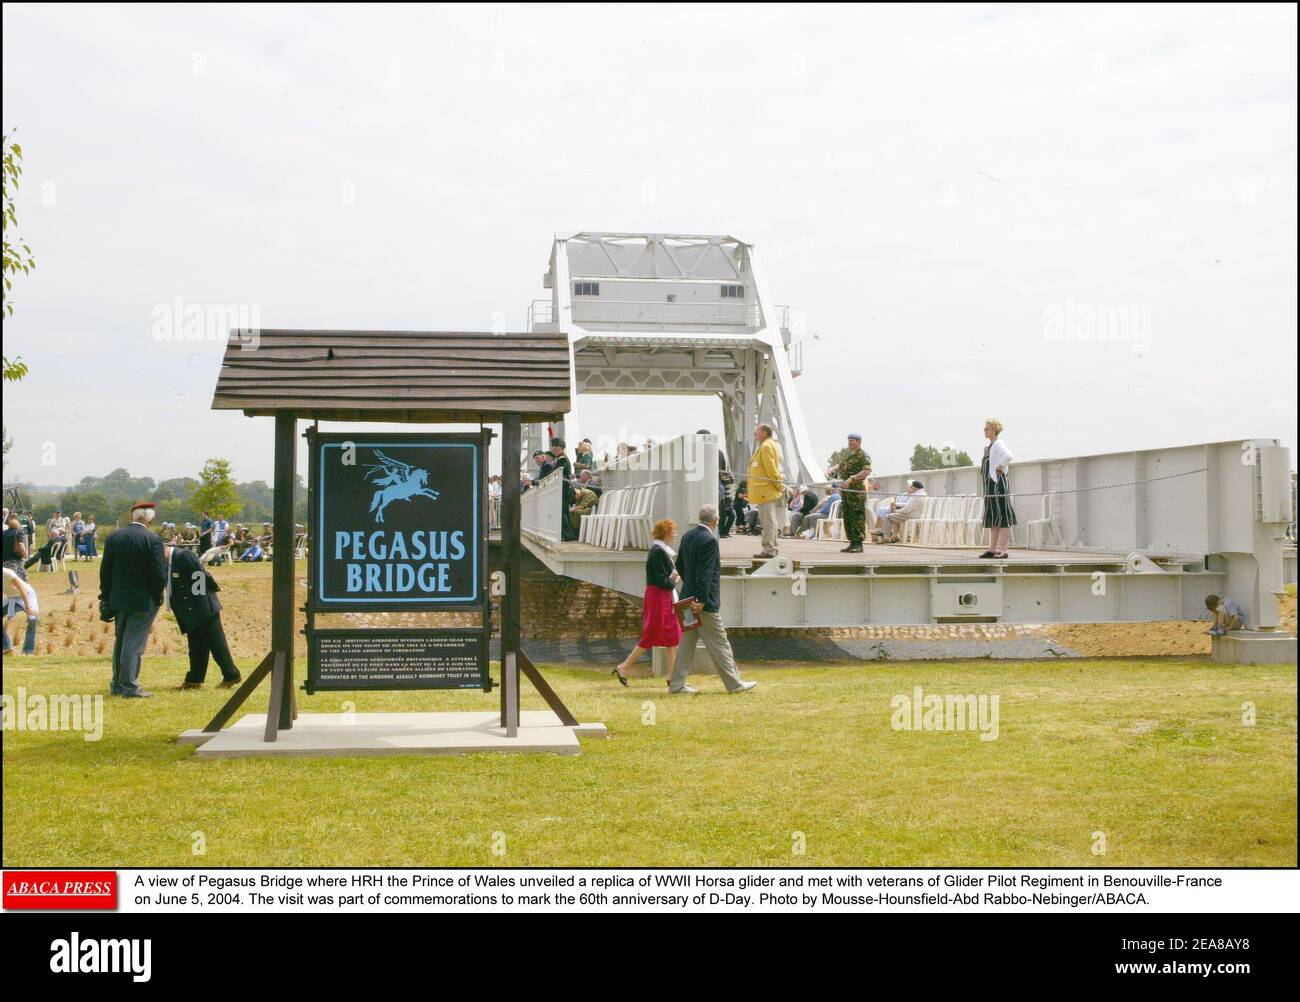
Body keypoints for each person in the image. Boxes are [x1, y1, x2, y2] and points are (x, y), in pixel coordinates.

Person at [669, 504, 758, 694]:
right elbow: (706, 573)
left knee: (687, 643)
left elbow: (680, 565)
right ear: (716, 521)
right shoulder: (709, 540)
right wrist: (700, 599)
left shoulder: (688, 536)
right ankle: (734, 684)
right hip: (703, 604)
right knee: (720, 643)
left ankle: (677, 685)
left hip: (686, 600)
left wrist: (690, 589)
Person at [99, 501, 166, 698]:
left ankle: (117, 684)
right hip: (143, 599)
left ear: (132, 516)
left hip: (118, 598)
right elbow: (158, 574)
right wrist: (157, 595)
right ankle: (130, 686)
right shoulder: (152, 539)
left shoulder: (114, 537)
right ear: (149, 518)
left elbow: (106, 571)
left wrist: (106, 596)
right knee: (134, 644)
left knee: (121, 641)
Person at [165, 540, 242, 688]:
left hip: (203, 608)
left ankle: (231, 674)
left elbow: (199, 577)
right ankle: (194, 679)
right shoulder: (169, 562)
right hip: (191, 610)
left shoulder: (184, 556)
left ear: (164, 550)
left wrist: (199, 610)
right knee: (196, 645)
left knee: (216, 644)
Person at [613, 519, 682, 685]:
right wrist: (675, 579)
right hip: (660, 597)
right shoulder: (658, 551)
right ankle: (624, 667)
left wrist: (673, 579)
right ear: (665, 532)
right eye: (673, 531)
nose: (675, 534)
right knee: (651, 634)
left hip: (663, 596)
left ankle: (673, 676)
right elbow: (661, 580)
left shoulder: (661, 550)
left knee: (672, 634)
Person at [746, 423, 785, 558]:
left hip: (765, 491)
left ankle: (769, 549)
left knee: (768, 522)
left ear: (764, 433)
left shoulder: (766, 446)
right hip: (765, 491)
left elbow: (771, 470)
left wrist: (779, 485)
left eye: (757, 431)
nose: (755, 433)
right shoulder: (767, 445)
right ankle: (771, 547)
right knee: (770, 521)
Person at [829, 433, 871, 553]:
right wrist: (832, 469)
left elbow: (866, 471)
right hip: (846, 492)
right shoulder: (850, 456)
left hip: (856, 491)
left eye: (852, 440)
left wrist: (852, 478)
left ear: (858, 442)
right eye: (849, 440)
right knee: (847, 516)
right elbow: (840, 465)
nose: (849, 443)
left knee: (857, 517)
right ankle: (852, 542)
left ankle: (858, 543)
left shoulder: (863, 455)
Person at [980, 419, 1016, 558]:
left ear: (994, 430)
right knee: (993, 515)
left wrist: (1000, 466)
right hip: (990, 485)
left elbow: (1009, 455)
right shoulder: (991, 446)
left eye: (987, 429)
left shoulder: (998, 443)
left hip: (998, 485)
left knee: (1002, 516)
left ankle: (1004, 549)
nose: (985, 431)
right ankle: (992, 548)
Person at [2, 566, 39, 655]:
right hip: (11, 597)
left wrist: (28, 608)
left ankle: (28, 651)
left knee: (33, 619)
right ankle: (6, 647)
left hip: (27, 594)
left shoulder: (7, 573)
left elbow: (22, 589)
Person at [3, 513, 29, 581]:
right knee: (21, 579)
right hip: (15, 559)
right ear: (17, 525)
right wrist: (26, 554)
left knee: (7, 580)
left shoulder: (4, 533)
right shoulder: (18, 532)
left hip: (4, 560)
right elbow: (21, 545)